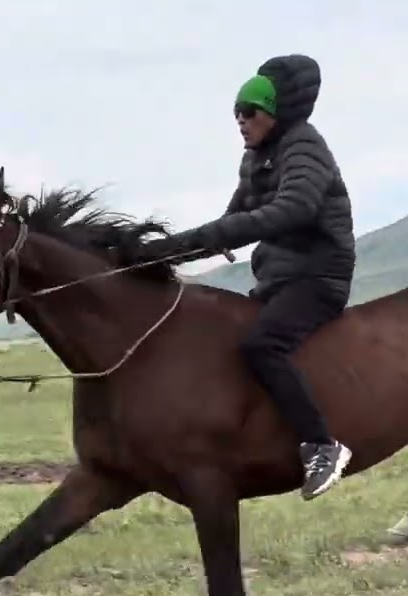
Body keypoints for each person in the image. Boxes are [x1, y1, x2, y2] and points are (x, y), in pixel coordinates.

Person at [142, 54, 356, 500]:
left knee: (262, 344)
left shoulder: (304, 147)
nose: (241, 122)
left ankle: (321, 445)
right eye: (236, 114)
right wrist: (160, 254)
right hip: (277, 278)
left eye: (249, 113)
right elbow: (233, 221)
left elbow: (291, 209)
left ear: (274, 113)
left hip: (317, 279)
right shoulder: (257, 158)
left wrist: (212, 234)